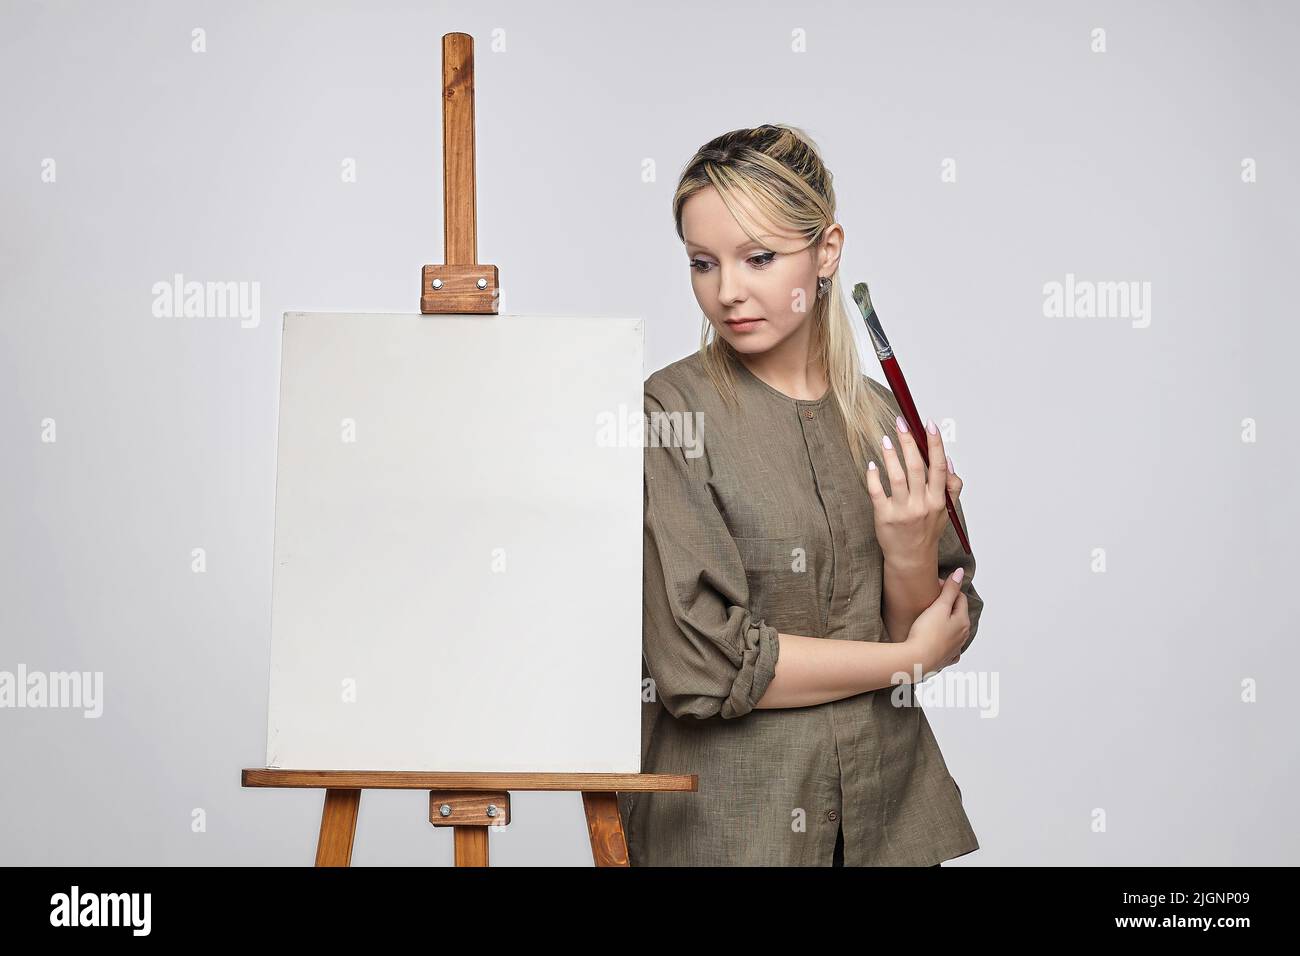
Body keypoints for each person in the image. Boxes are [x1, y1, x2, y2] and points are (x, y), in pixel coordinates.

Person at [618, 124, 984, 866]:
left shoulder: (882, 417)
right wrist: (899, 664)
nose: (727, 291)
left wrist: (909, 549)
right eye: (702, 262)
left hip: (889, 817)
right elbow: (700, 666)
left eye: (759, 257)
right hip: (734, 827)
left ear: (827, 251)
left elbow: (937, 627)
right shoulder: (670, 414)